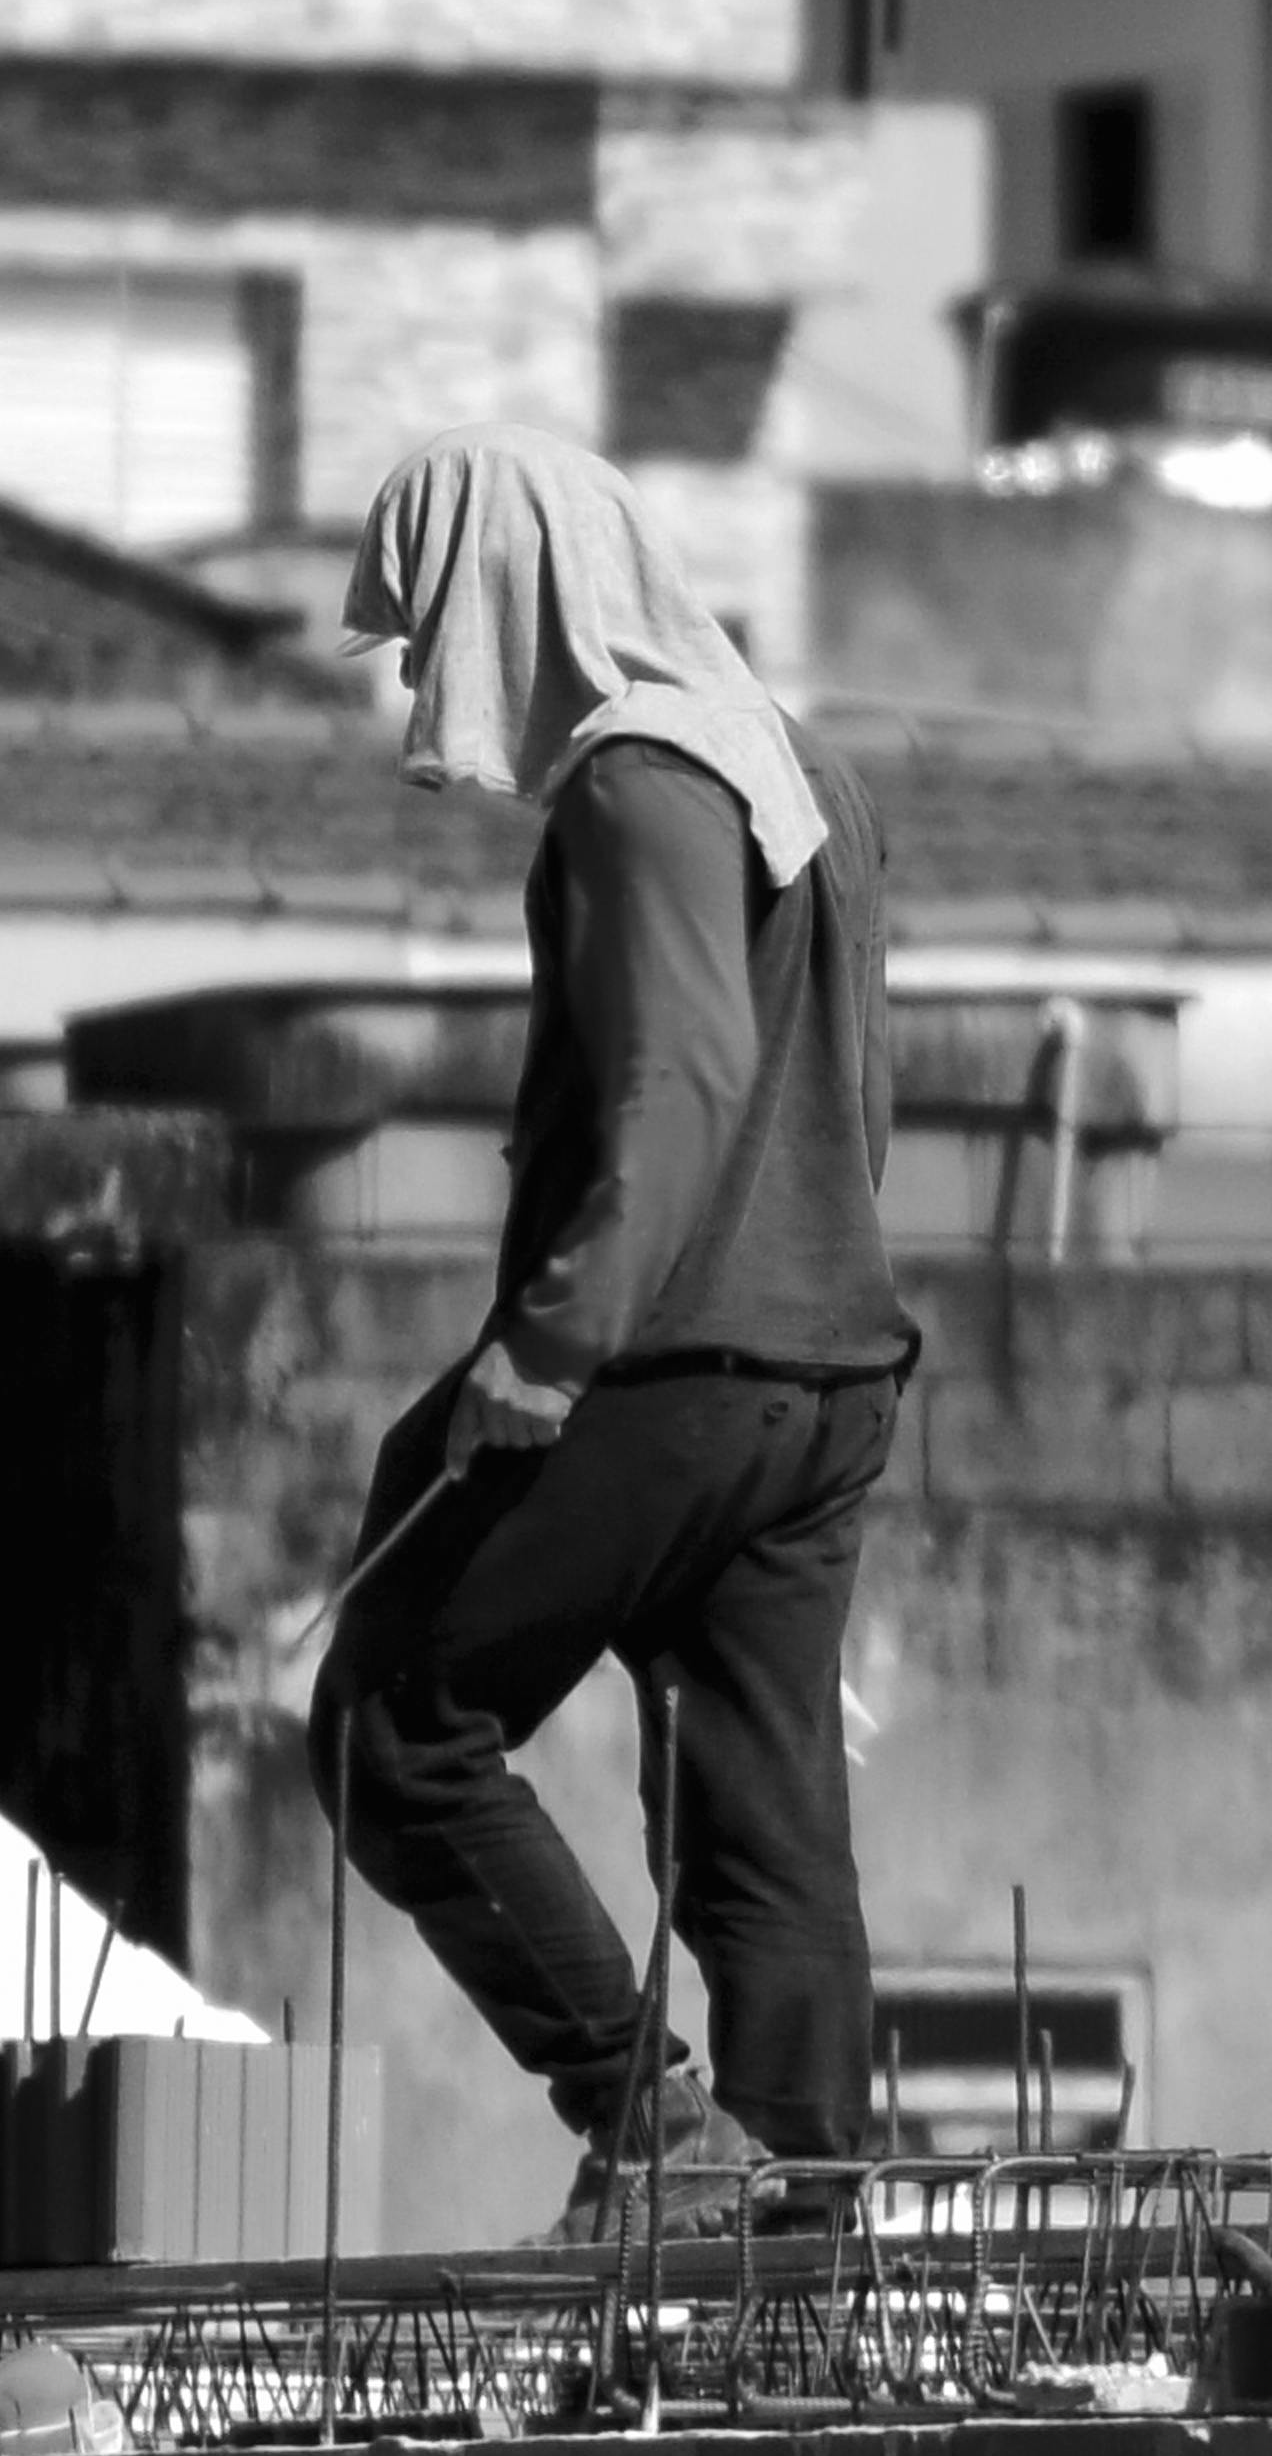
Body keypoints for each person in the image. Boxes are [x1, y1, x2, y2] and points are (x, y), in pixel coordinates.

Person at [312, 432, 915, 2224]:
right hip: (822, 1381)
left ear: (520, 591)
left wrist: (548, 1347)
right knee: (763, 1834)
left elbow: (683, 1078)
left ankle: (652, 2126)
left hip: (665, 1371)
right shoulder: (809, 775)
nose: (424, 686)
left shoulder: (639, 782)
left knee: (388, 1727)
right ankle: (805, 2247)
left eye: (427, 632)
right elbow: (846, 1109)